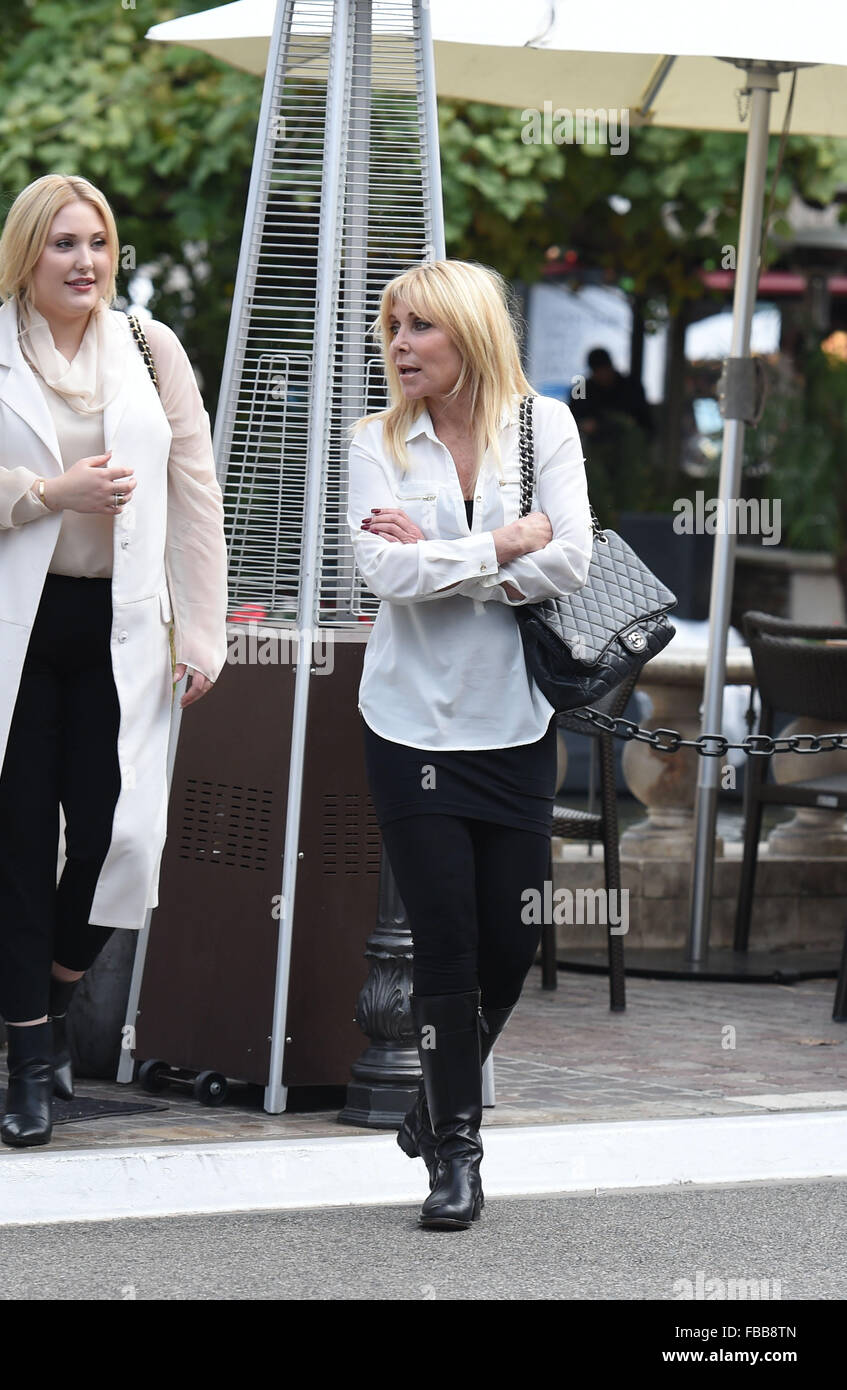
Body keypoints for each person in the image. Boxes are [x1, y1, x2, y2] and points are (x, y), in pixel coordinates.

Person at [0, 174, 228, 1147]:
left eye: (96, 242)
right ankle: (28, 1067)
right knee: (9, 853)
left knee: (117, 838)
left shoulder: (149, 348)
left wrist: (201, 632)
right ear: (25, 256)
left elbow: (193, 491)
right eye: (63, 244)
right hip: (2, 636)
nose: (84, 261)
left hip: (119, 633)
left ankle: (53, 989)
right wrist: (50, 491)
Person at [347, 259, 592, 1229]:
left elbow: (571, 557)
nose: (401, 346)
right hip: (410, 724)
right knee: (444, 944)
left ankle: (429, 1100)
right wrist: (499, 544)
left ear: (471, 334)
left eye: (421, 329)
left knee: (511, 941)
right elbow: (382, 569)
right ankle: (456, 1152)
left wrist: (444, 556)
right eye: (394, 328)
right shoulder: (373, 439)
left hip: (516, 721)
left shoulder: (544, 428)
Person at [570, 346, 653, 439]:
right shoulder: (581, 389)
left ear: (610, 367)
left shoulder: (630, 386)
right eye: (598, 372)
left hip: (625, 441)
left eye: (605, 370)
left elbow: (644, 421)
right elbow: (572, 420)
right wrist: (583, 424)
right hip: (594, 443)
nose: (603, 376)